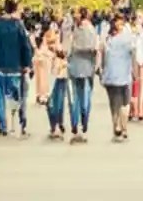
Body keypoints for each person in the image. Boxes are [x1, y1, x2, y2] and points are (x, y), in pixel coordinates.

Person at [0, 0, 34, 138]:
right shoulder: (18, 25)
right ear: (15, 9)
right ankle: (17, 125)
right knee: (15, 98)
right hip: (14, 67)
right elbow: (25, 46)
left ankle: (1, 126)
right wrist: (27, 64)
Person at [99, 15, 136, 141]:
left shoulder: (108, 39)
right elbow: (133, 55)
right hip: (124, 75)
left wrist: (102, 72)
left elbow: (103, 56)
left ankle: (116, 126)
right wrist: (134, 71)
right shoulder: (128, 38)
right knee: (124, 103)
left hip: (110, 76)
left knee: (114, 103)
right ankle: (123, 127)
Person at [67, 7, 98, 143]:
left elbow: (69, 49)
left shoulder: (75, 30)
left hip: (75, 66)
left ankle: (76, 123)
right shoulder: (92, 30)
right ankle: (83, 122)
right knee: (86, 96)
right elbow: (95, 49)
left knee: (76, 97)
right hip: (88, 67)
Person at [45, 23, 69, 140]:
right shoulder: (45, 51)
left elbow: (65, 58)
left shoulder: (61, 48)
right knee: (52, 103)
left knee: (58, 102)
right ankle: (54, 126)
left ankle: (58, 124)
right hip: (51, 77)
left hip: (60, 76)